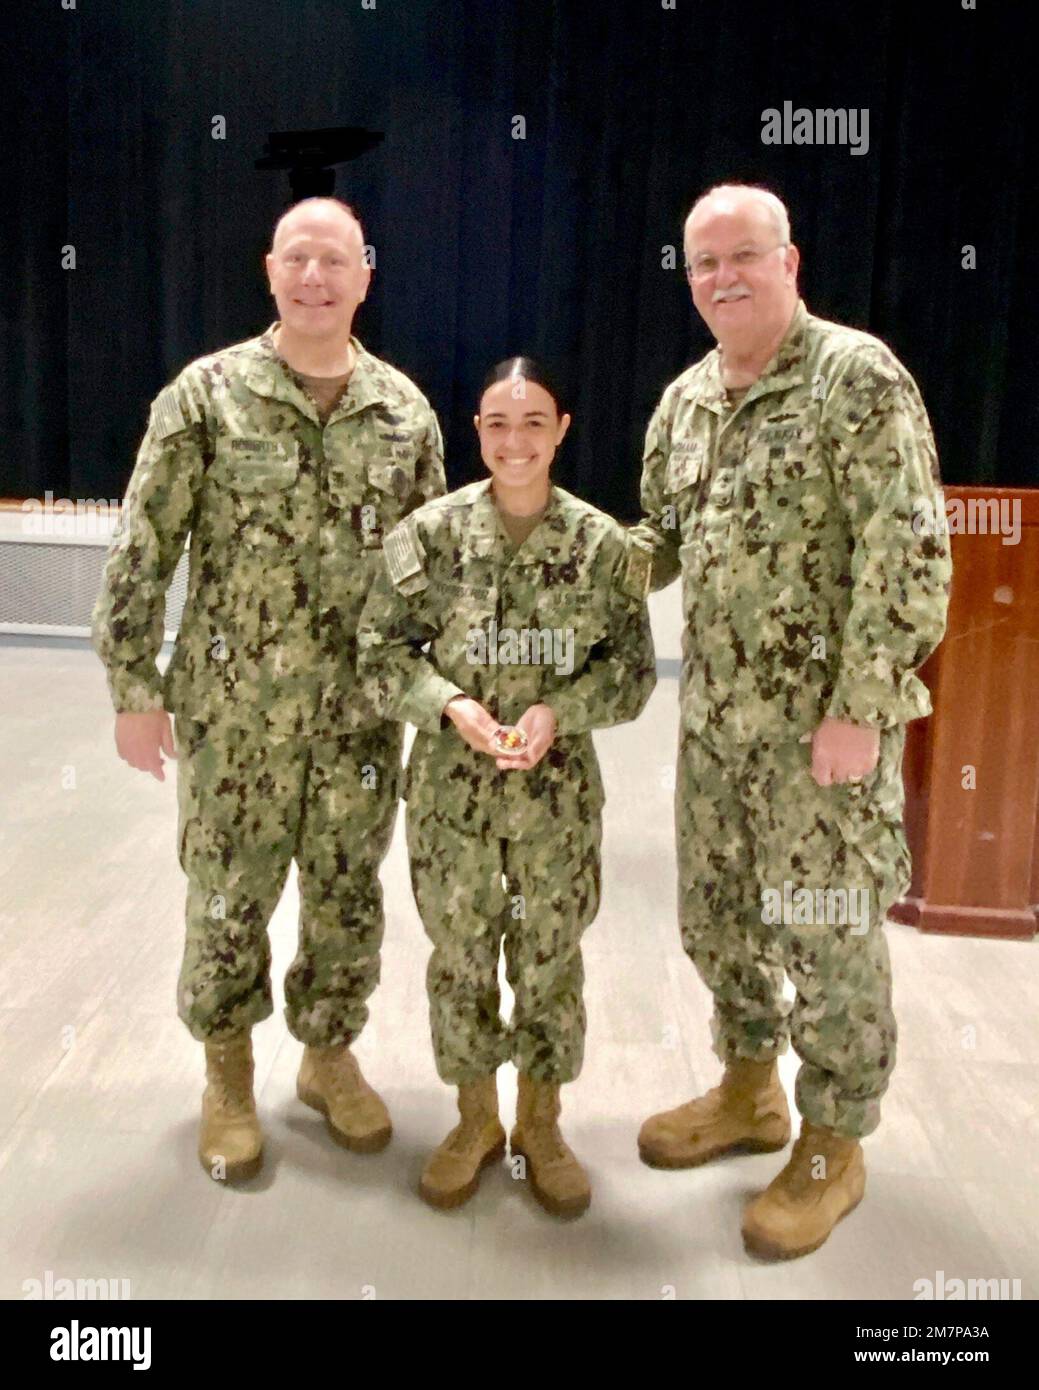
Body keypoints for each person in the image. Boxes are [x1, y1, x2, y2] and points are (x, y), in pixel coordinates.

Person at [92, 197, 446, 1181]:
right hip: (232, 718)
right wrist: (134, 685)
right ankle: (228, 1075)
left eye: (336, 260)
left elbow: (427, 576)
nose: (317, 278)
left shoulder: (403, 412)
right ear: (270, 270)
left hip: (359, 724)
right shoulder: (206, 396)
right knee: (226, 901)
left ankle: (327, 1058)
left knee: (344, 898)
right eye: (299, 259)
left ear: (363, 276)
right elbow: (143, 547)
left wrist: (444, 697)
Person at [634, 184, 952, 1259]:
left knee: (824, 928)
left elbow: (907, 552)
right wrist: (537, 546)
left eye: (741, 256)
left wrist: (861, 708)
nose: (721, 277)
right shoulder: (684, 402)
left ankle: (832, 1140)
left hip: (823, 732)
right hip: (715, 726)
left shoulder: (854, 379)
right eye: (701, 263)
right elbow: (658, 542)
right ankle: (747, 1090)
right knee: (718, 918)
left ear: (789, 261)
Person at [357, 358, 656, 1217]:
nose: (513, 441)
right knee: (458, 962)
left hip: (556, 803)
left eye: (532, 422)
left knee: (550, 962)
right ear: (475, 431)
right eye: (496, 423)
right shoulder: (429, 536)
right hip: (451, 801)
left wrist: (559, 711)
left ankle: (541, 1121)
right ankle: (475, 1118)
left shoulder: (604, 547)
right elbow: (378, 656)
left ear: (563, 428)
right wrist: (447, 704)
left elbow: (631, 674)